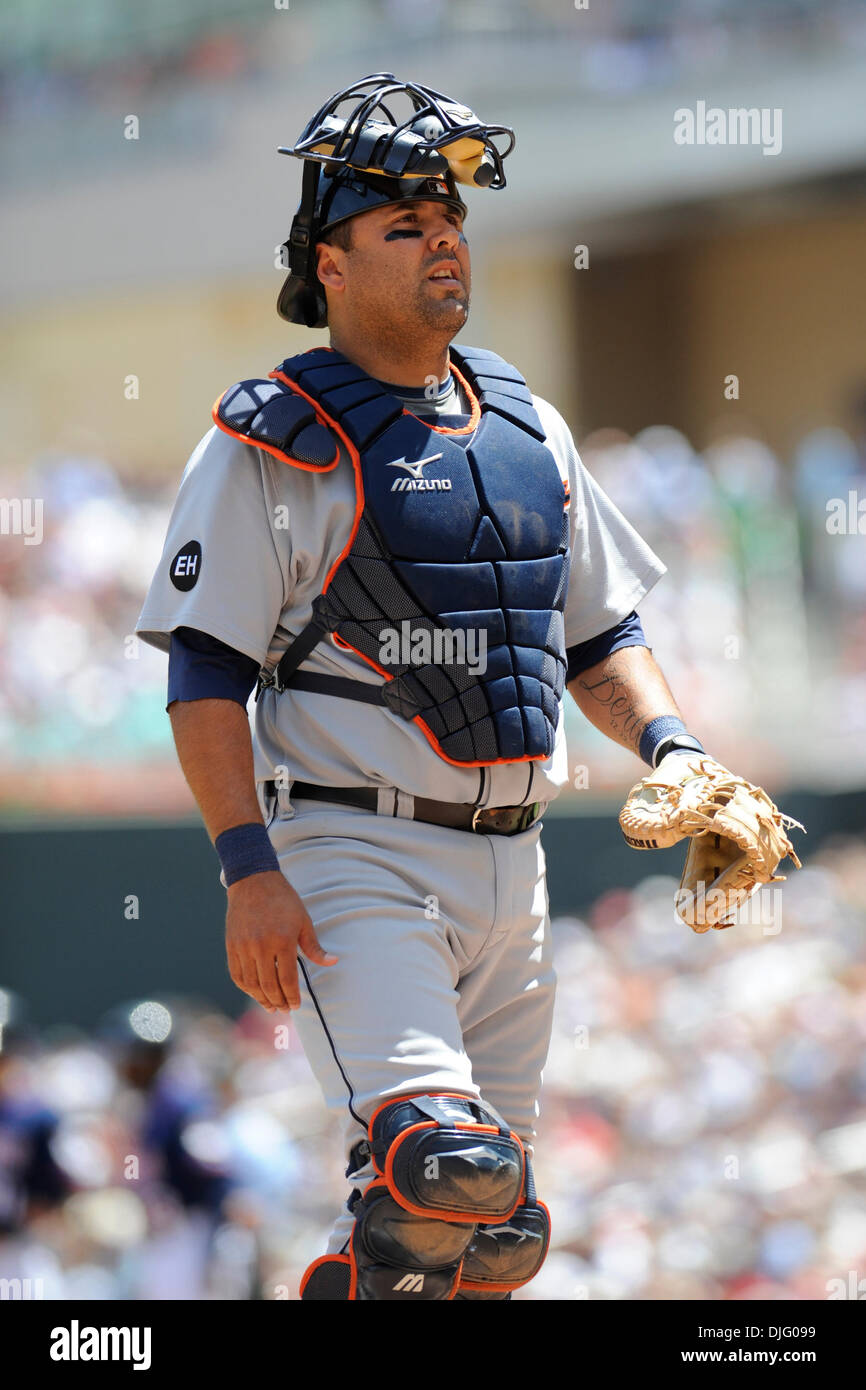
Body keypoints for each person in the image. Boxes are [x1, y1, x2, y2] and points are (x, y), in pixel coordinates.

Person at [136, 73, 707, 1300]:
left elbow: (601, 633)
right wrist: (248, 870)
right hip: (354, 847)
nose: (441, 239)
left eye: (447, 217)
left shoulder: (524, 424)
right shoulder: (270, 436)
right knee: (444, 1165)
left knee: (496, 1244)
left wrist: (673, 750)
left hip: (518, 861)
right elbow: (202, 671)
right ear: (330, 264)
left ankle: (361, 1282)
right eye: (403, 224)